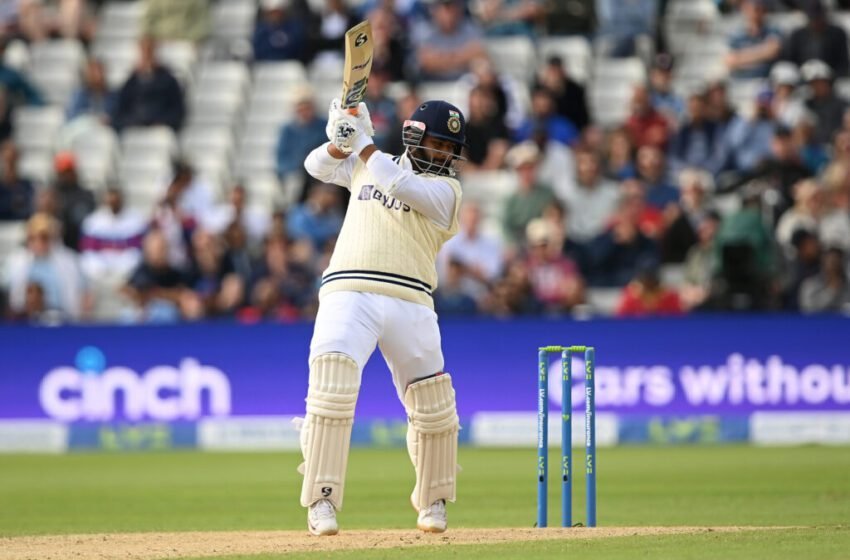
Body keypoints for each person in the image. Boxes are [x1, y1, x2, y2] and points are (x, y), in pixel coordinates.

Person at [298, 97, 467, 535]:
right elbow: (315, 166)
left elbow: (400, 185)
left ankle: (433, 502)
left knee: (433, 406)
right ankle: (322, 501)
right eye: (437, 144)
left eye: (450, 148)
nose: (444, 154)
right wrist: (341, 139)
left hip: (411, 299)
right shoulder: (369, 160)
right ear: (414, 138)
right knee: (332, 387)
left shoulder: (448, 191)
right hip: (349, 289)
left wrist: (364, 143)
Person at [725, 0, 782, 79]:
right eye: (749, 9)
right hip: (740, 82)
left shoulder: (773, 30)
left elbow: (773, 51)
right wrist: (763, 53)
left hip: (766, 81)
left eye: (757, 9)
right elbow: (730, 61)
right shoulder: (735, 33)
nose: (754, 12)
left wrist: (740, 57)